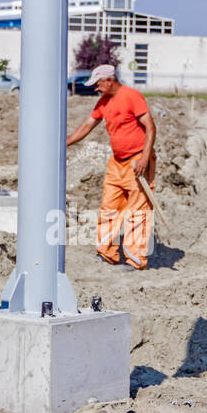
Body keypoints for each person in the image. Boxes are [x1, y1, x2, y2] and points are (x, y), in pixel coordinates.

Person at [65, 64, 158, 270]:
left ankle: (135, 260)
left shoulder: (132, 96)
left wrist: (144, 158)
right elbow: (86, 126)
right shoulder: (103, 102)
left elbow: (151, 127)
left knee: (138, 212)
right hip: (117, 162)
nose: (95, 88)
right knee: (109, 207)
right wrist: (63, 144)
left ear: (109, 80)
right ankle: (106, 253)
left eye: (97, 84)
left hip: (138, 162)